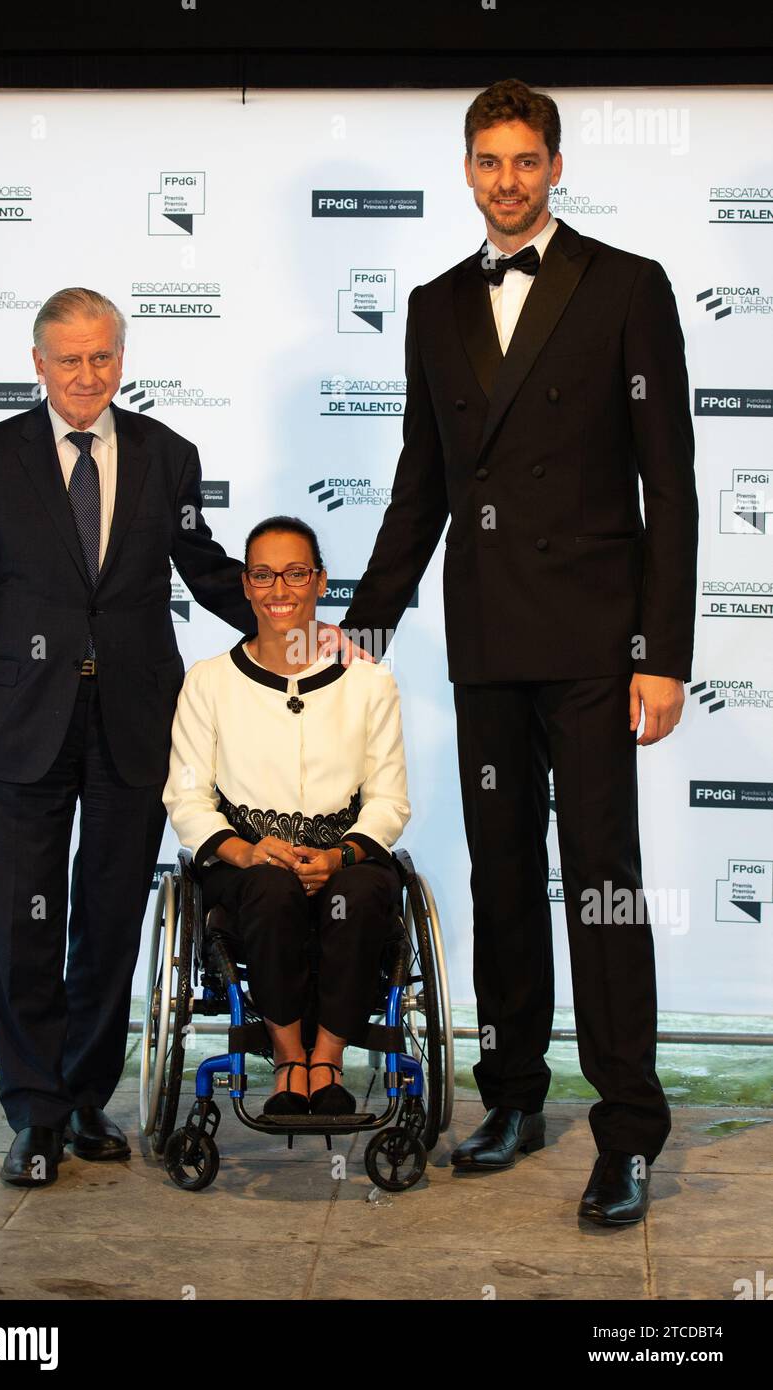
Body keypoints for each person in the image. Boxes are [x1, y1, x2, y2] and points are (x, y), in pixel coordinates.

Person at [341, 78, 698, 1224]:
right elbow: (421, 481)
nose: (506, 180)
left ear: (554, 166)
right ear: (466, 171)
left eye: (524, 160)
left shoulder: (626, 287)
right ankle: (508, 1094)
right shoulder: (434, 303)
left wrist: (663, 651)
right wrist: (366, 615)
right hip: (488, 632)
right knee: (501, 882)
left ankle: (627, 1129)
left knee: (601, 885)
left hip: (598, 642)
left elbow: (671, 488)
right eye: (487, 161)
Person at [0, 289, 346, 1185]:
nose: (87, 377)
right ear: (38, 363)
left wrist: (297, 623)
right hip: (15, 729)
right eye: (69, 360)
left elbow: (206, 573)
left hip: (132, 725)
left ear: (123, 359)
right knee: (20, 922)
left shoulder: (167, 456)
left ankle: (83, 1101)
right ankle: (33, 1114)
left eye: (103, 358)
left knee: (111, 922)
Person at [163, 516, 411, 1115]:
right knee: (269, 888)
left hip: (344, 850)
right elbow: (188, 799)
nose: (280, 590)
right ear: (245, 586)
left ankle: (326, 1059)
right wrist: (245, 850)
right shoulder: (209, 682)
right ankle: (287, 1059)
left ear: (320, 582)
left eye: (296, 574)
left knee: (359, 893)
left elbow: (389, 801)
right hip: (243, 857)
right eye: (264, 575)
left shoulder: (368, 682)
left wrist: (338, 854)